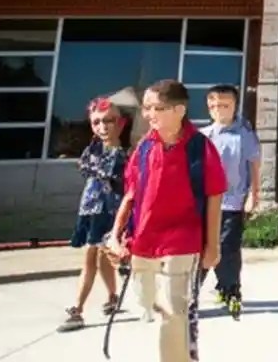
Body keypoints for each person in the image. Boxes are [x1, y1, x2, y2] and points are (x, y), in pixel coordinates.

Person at [107, 80, 227, 362]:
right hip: (144, 241)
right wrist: (115, 235)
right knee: (147, 307)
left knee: (174, 312)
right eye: (146, 108)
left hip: (182, 240)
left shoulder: (200, 148)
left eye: (157, 108)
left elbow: (214, 197)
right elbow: (131, 196)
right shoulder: (144, 147)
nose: (149, 114)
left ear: (179, 110)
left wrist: (213, 246)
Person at [58, 97, 130, 332]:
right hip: (91, 209)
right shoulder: (93, 149)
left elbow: (113, 176)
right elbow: (85, 166)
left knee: (98, 256)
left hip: (112, 210)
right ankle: (105, 299)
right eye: (97, 122)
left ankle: (81, 308)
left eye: (109, 121)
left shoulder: (124, 154)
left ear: (120, 123)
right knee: (96, 256)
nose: (103, 127)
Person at [198, 84, 260, 319]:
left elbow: (253, 164)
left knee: (227, 248)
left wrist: (254, 195)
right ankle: (191, 294)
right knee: (202, 247)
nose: (218, 110)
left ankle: (231, 289)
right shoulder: (204, 136)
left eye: (224, 105)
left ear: (234, 105)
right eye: (213, 105)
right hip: (206, 203)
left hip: (232, 202)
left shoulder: (243, 134)